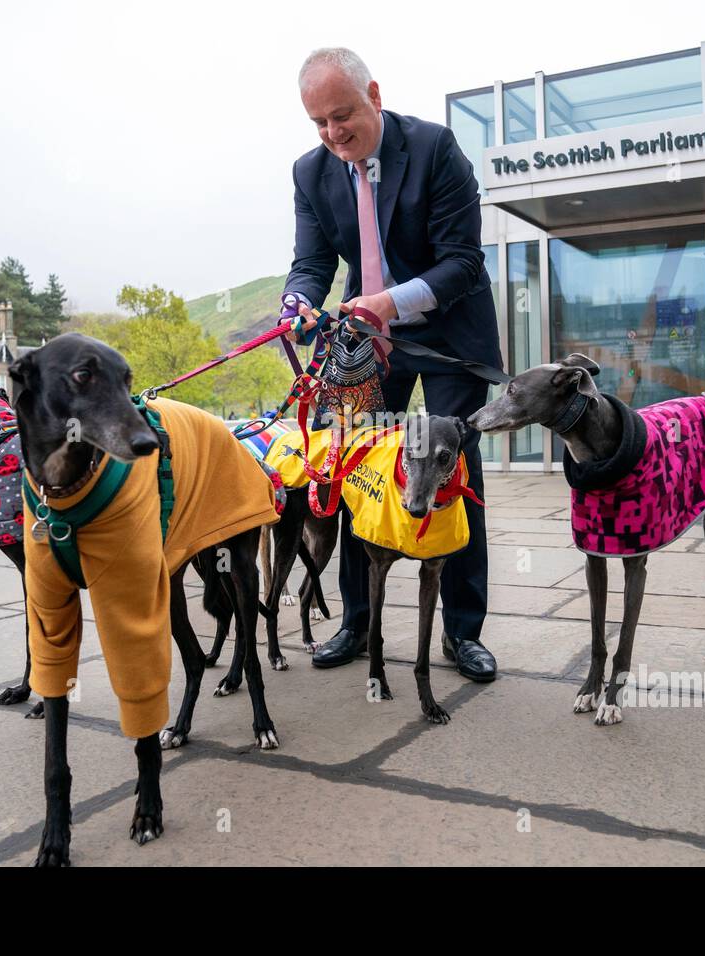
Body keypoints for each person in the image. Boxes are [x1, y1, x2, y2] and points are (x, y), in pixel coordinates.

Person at [279, 48, 503, 682]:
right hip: (369, 343)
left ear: (374, 94)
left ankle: (462, 632)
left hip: (449, 332)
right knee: (354, 466)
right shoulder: (310, 172)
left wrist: (388, 302)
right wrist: (297, 300)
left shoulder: (435, 149)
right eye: (319, 122)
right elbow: (312, 264)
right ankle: (356, 621)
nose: (333, 133)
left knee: (453, 471)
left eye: (343, 115)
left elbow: (464, 263)